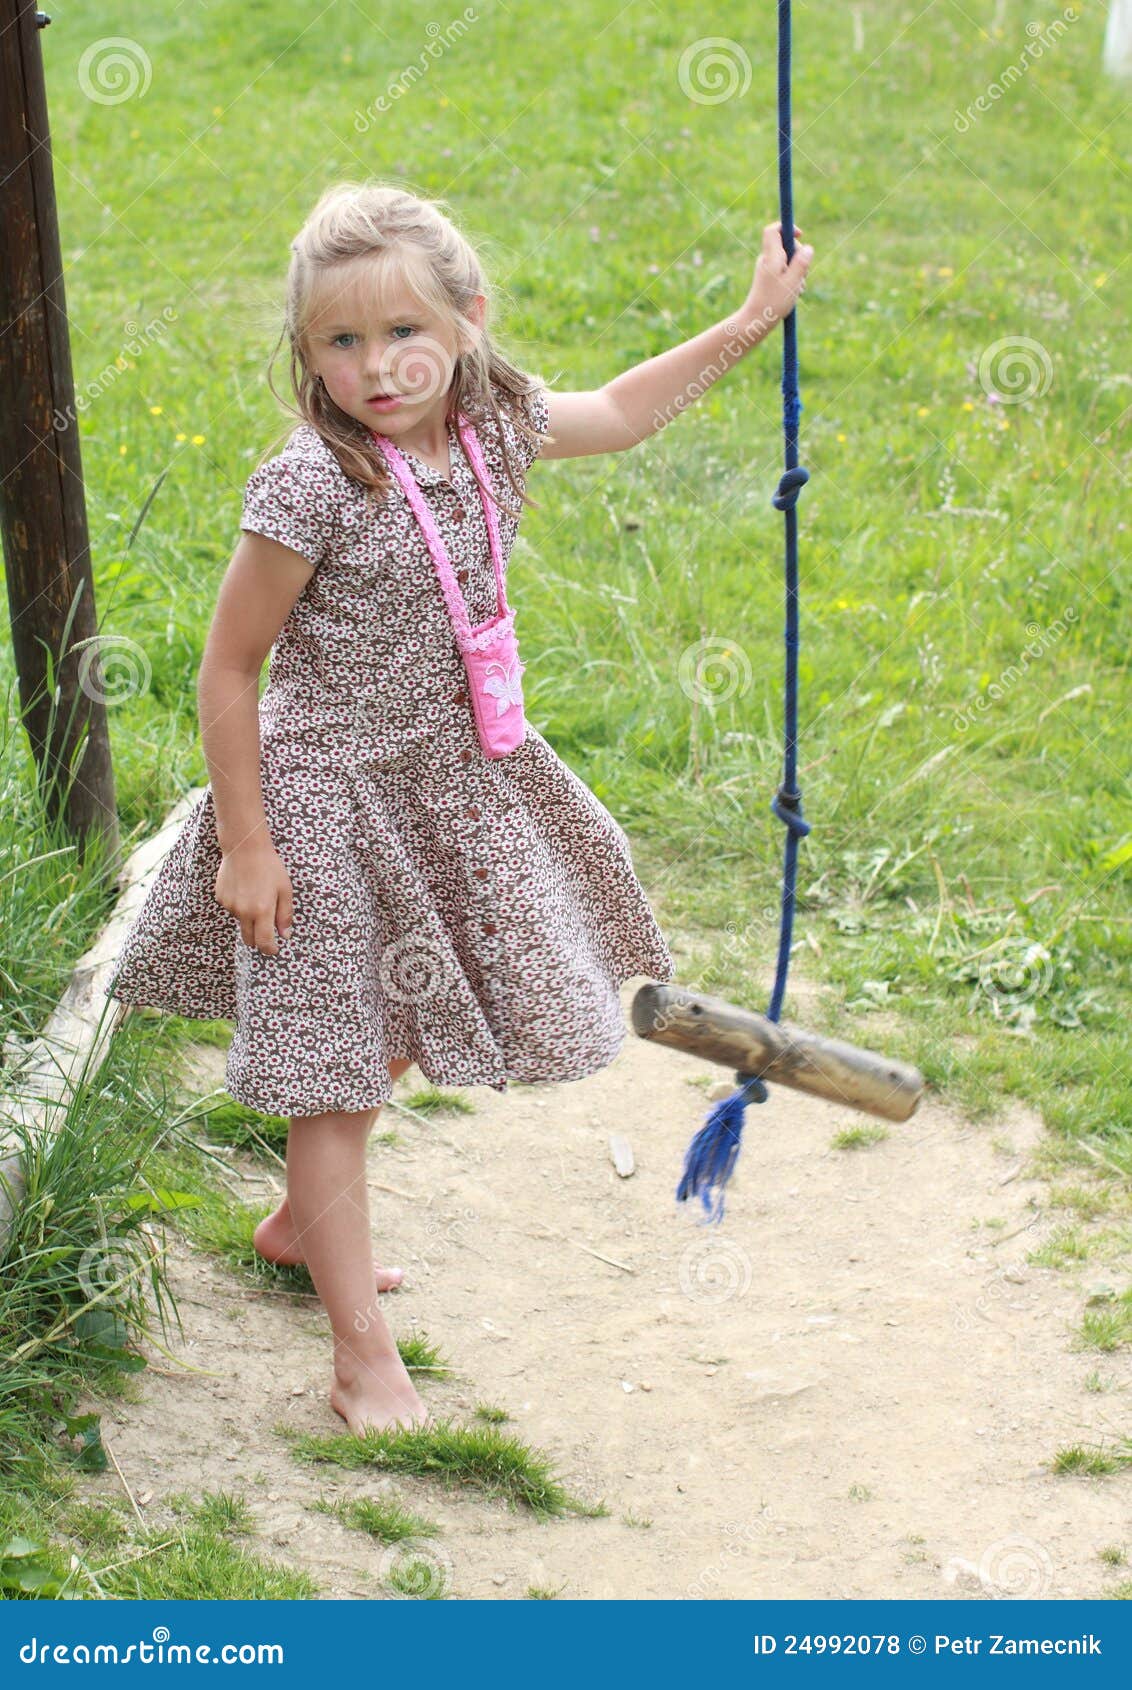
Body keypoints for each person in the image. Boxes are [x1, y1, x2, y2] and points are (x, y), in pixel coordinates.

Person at [105, 182, 813, 1435]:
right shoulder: (311, 484)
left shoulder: (488, 425)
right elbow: (229, 666)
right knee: (332, 1077)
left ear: (469, 320)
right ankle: (360, 1364)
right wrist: (251, 844)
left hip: (454, 779)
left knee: (389, 1027)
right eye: (339, 342)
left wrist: (749, 321)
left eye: (402, 334)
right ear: (304, 350)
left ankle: (292, 1227)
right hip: (324, 802)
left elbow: (622, 411)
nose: (374, 368)